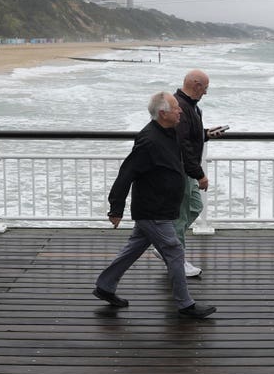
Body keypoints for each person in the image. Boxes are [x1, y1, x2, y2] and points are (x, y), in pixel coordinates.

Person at [93, 91, 217, 319]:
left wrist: (198, 175)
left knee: (134, 248)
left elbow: (185, 158)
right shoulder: (149, 140)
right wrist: (116, 207)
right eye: (175, 108)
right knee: (174, 251)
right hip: (152, 210)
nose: (180, 110)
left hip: (163, 208)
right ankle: (185, 304)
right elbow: (127, 172)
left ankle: (105, 286)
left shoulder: (171, 133)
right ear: (163, 113)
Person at [172, 69, 227, 277]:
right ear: (196, 85)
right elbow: (182, 144)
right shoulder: (180, 107)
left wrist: (206, 134)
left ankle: (167, 244)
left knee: (195, 206)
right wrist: (199, 174)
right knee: (180, 215)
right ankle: (177, 258)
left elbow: (190, 137)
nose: (206, 93)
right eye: (205, 88)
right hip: (182, 170)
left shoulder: (193, 108)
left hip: (187, 170)